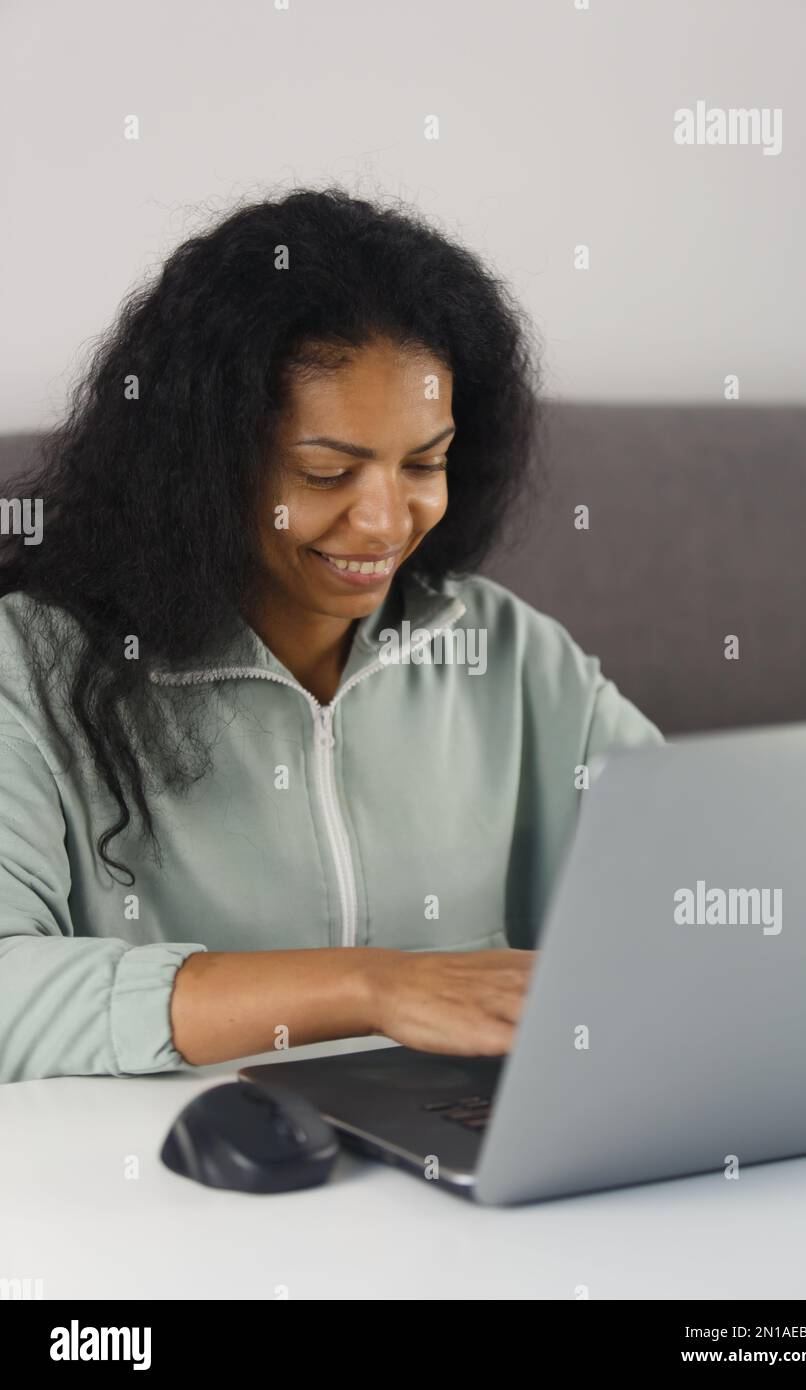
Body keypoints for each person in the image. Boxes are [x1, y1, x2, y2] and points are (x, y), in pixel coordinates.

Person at [0, 187, 663, 1084]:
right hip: (158, 1194)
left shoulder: (507, 651)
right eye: (327, 472)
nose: (387, 520)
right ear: (205, 467)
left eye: (424, 464)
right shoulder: (32, 669)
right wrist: (370, 987)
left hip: (468, 1188)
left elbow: (696, 890)